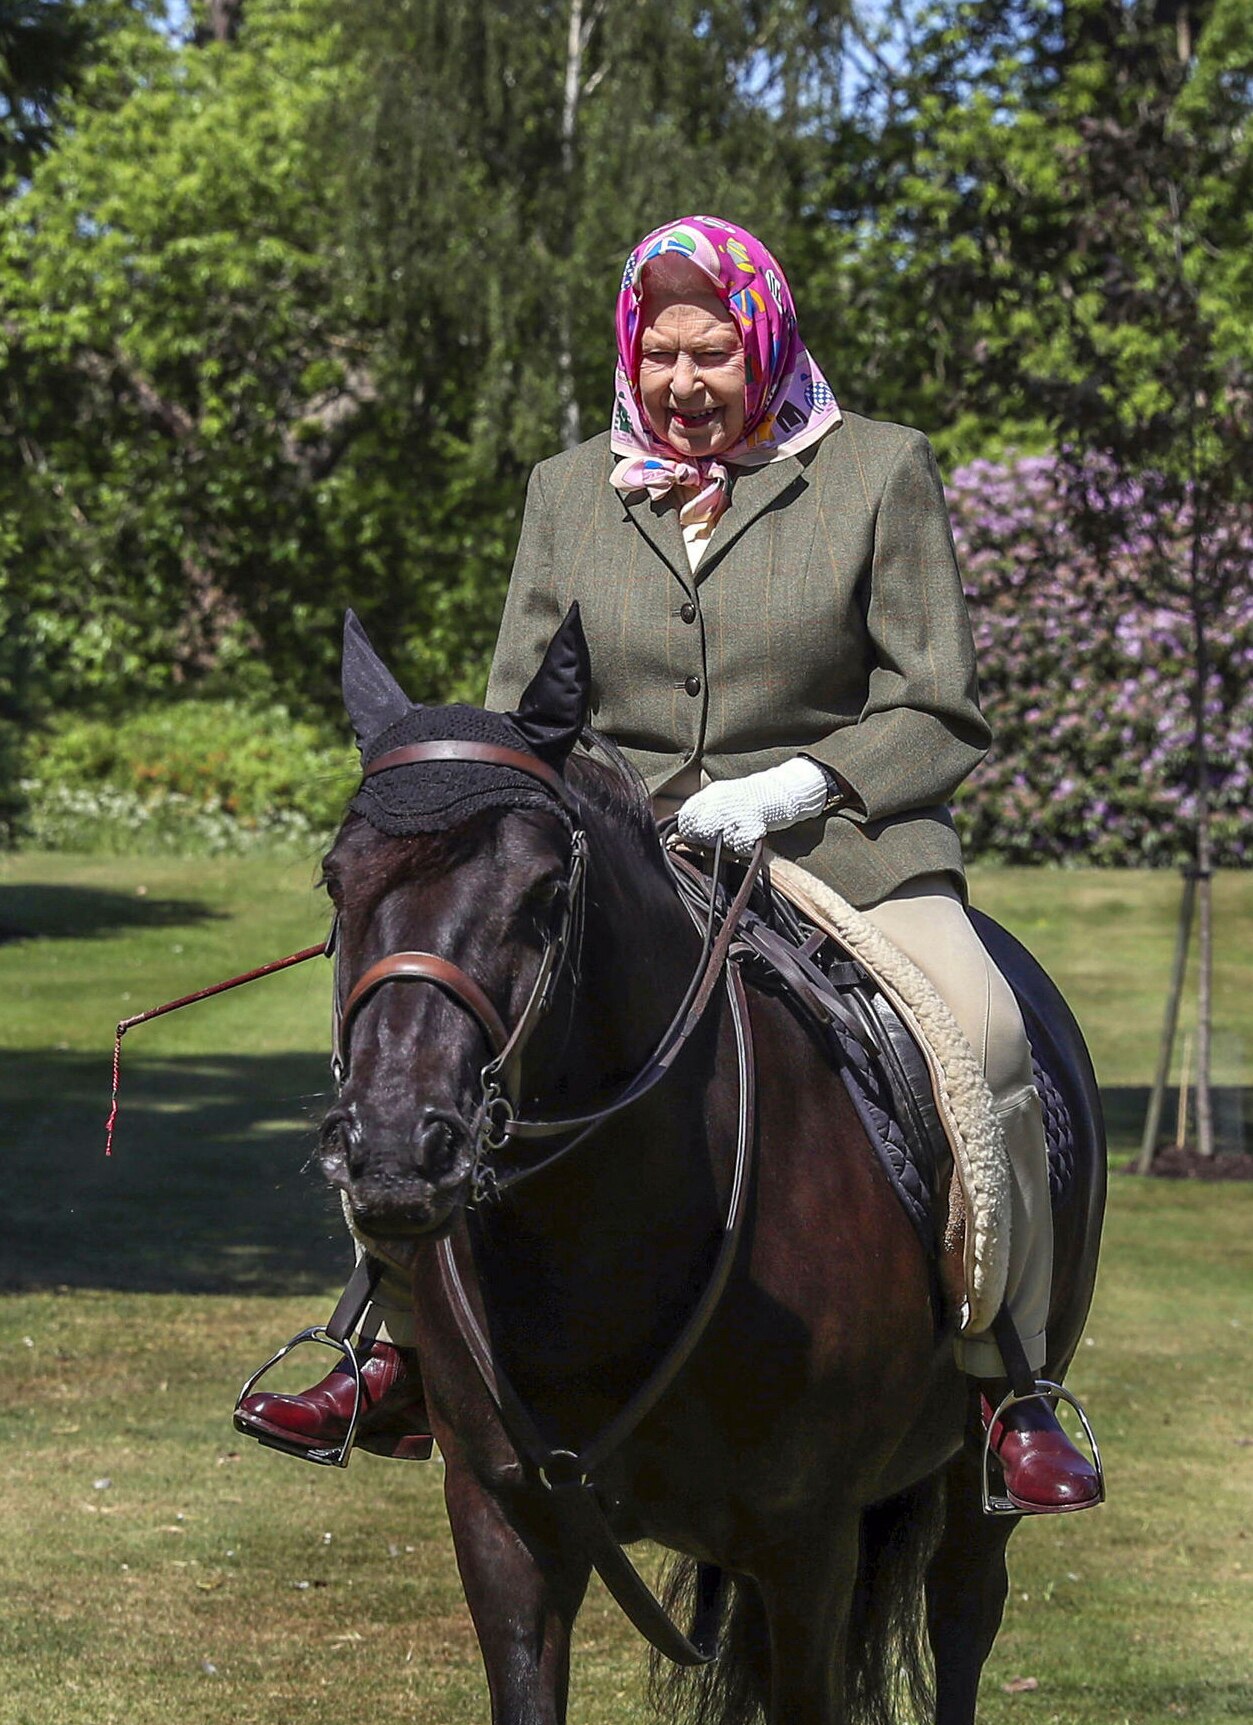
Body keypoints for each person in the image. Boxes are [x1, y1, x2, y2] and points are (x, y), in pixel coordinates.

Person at [238, 215, 1100, 1513]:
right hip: (615, 848)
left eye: (714, 353)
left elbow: (936, 706)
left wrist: (793, 786)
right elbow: (520, 712)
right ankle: (396, 1343)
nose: (686, 383)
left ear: (764, 342)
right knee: (430, 1023)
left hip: (842, 843)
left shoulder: (875, 472)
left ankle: (1005, 1378)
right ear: (629, 353)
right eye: (662, 355)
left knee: (980, 1032)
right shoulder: (565, 487)